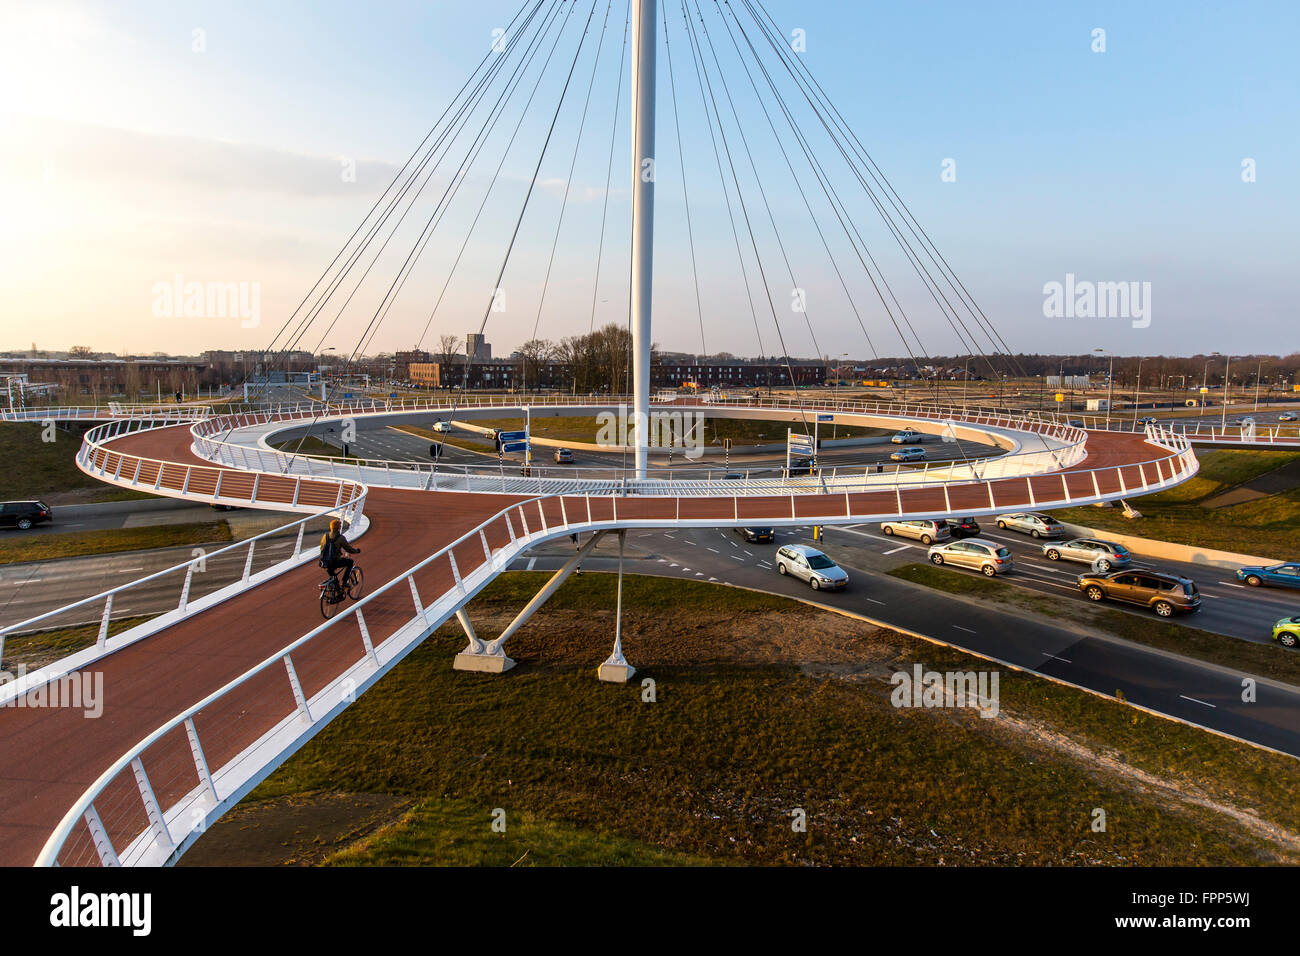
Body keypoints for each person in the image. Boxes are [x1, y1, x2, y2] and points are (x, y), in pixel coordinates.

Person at [319, 518, 360, 585]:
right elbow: (349, 549)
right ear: (339, 527)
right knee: (350, 562)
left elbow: (321, 548)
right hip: (335, 562)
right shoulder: (341, 538)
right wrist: (357, 551)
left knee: (334, 578)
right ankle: (344, 582)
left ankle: (336, 588)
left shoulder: (325, 536)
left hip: (324, 562)